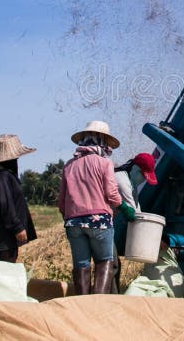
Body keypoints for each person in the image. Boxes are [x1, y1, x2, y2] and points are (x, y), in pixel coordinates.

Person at [59, 120, 134, 295]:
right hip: (99, 220)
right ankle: (97, 305)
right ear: (102, 141)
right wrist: (123, 206)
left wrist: (70, 218)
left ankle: (82, 304)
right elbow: (111, 193)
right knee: (104, 262)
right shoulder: (104, 163)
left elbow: (61, 200)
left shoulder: (69, 165)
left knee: (81, 265)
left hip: (73, 222)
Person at [0, 134, 38, 263]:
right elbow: (4, 204)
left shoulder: (5, 175)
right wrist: (17, 227)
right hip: (3, 234)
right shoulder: (2, 176)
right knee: (5, 268)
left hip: (6, 234)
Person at [113, 152, 159, 254]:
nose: (144, 180)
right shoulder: (122, 181)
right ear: (135, 169)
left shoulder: (131, 183)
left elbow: (138, 210)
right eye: (143, 176)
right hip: (93, 223)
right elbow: (134, 215)